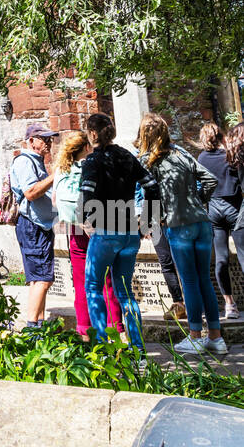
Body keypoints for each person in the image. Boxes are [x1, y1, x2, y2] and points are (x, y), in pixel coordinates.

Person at [136, 113, 225, 357]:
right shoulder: (181, 153)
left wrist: (151, 222)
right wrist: (199, 201)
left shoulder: (146, 161)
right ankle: (216, 338)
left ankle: (195, 337)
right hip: (201, 222)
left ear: (144, 135)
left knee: (190, 281)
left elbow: (149, 197)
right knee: (205, 279)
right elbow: (210, 179)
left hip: (177, 225)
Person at [77, 112, 160, 352]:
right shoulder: (126, 156)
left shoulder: (93, 161)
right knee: (126, 294)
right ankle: (139, 350)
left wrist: (87, 221)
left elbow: (86, 193)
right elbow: (151, 186)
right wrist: (147, 222)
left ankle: (105, 348)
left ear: (92, 134)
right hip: (130, 232)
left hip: (106, 230)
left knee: (93, 287)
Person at [53, 130, 123, 343]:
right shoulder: (93, 165)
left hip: (73, 228)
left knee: (81, 279)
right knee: (105, 279)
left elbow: (55, 201)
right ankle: (113, 328)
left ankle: (85, 328)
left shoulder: (60, 169)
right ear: (85, 148)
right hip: (96, 224)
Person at [9, 121, 58, 329]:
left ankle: (39, 323)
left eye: (50, 139)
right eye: (44, 139)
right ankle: (32, 328)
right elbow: (30, 193)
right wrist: (57, 175)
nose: (49, 143)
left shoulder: (36, 161)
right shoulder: (24, 162)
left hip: (42, 225)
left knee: (42, 279)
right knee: (42, 279)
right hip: (32, 226)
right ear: (31, 141)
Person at [197, 120, 241, 320]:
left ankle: (229, 304)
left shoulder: (201, 158)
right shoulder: (229, 154)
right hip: (235, 207)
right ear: (222, 136)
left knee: (221, 259)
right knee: (242, 255)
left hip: (214, 210)